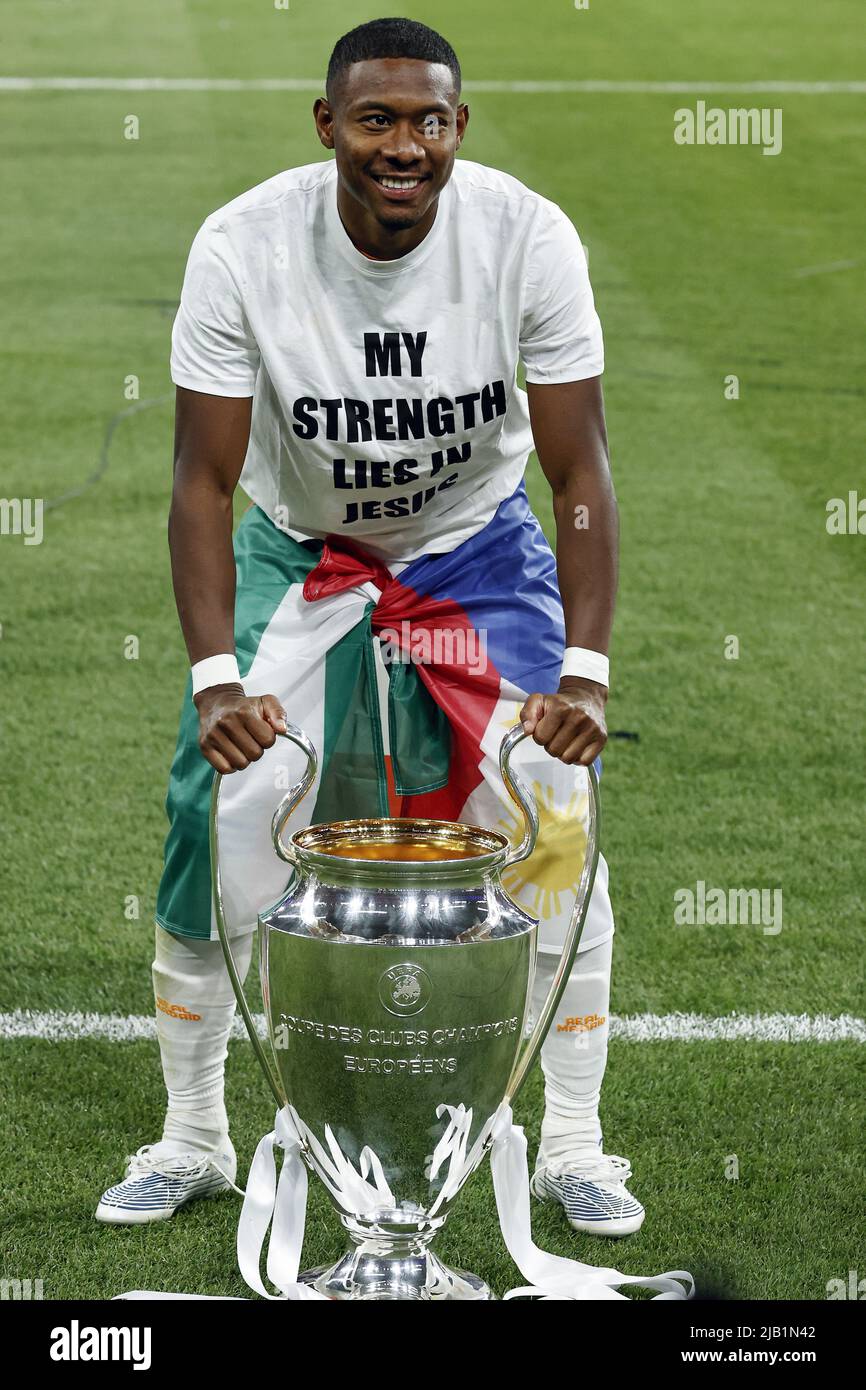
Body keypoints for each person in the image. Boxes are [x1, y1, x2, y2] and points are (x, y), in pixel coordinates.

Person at [96, 17, 643, 1241]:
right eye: (376, 120)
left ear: (459, 126)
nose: (404, 146)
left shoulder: (525, 235)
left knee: (553, 802)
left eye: (428, 120)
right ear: (327, 125)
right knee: (214, 805)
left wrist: (586, 674)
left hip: (474, 552)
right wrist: (213, 679)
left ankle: (570, 1141)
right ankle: (191, 1135)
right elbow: (200, 478)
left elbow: (578, 467)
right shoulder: (242, 244)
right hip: (304, 552)